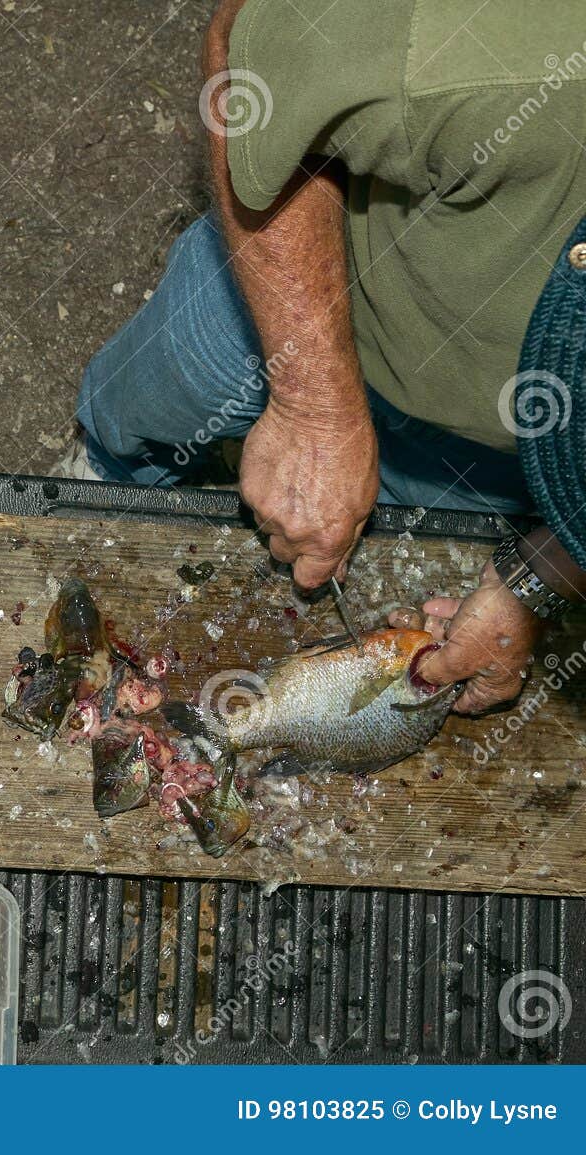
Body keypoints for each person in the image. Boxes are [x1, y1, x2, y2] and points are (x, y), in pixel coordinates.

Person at [76, 0, 586, 714]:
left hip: (507, 456)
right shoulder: (497, 49)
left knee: (403, 570)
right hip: (306, 292)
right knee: (153, 398)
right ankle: (107, 475)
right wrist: (314, 405)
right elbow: (245, 46)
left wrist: (541, 572)